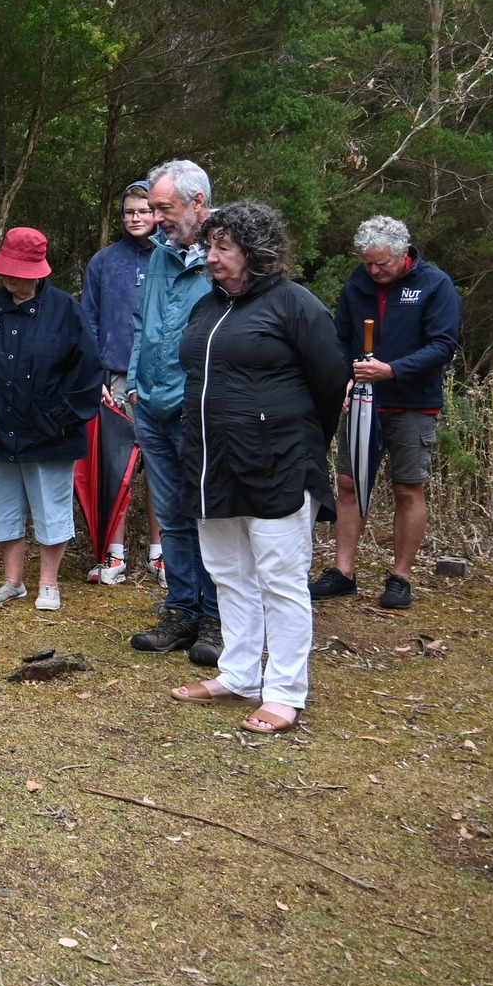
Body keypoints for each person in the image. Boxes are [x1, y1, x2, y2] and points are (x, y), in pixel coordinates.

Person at [170, 202, 345, 733]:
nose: (212, 257)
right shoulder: (207, 306)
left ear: (257, 253)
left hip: (279, 462)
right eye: (210, 246)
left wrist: (285, 434)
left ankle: (286, 691)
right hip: (211, 462)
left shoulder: (295, 304)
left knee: (280, 578)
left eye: (225, 248)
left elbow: (330, 382)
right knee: (228, 573)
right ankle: (239, 673)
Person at [310, 216, 462, 610]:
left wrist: (392, 370)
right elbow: (341, 338)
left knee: (407, 487)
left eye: (381, 264)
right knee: (348, 482)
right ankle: (343, 573)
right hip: (362, 401)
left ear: (403, 253)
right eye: (367, 263)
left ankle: (400, 576)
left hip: (412, 401)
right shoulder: (357, 283)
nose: (373, 271)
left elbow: (443, 345)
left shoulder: (435, 284)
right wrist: (343, 378)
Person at [0, 228, 103, 611]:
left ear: (38, 272)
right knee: (2, 506)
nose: (8, 278)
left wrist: (56, 420)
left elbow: (86, 373)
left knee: (51, 508)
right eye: (5, 270)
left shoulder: (67, 310)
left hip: (52, 432)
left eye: (17, 271)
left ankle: (48, 584)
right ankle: (12, 582)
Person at [124, 159, 223, 666]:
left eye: (164, 207)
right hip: (153, 407)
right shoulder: (163, 253)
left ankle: (217, 618)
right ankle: (181, 610)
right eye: (153, 207)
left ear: (197, 203)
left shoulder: (228, 252)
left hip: (200, 410)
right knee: (173, 515)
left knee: (209, 514)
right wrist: (137, 382)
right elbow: (143, 321)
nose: (155, 216)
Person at [80, 180, 159, 583]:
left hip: (163, 377)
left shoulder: (173, 258)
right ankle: (114, 554)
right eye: (129, 211)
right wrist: (95, 375)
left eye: (144, 210)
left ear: (158, 212)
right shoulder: (105, 261)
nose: (136, 218)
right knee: (116, 468)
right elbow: (88, 321)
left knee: (162, 466)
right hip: (114, 376)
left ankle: (161, 553)